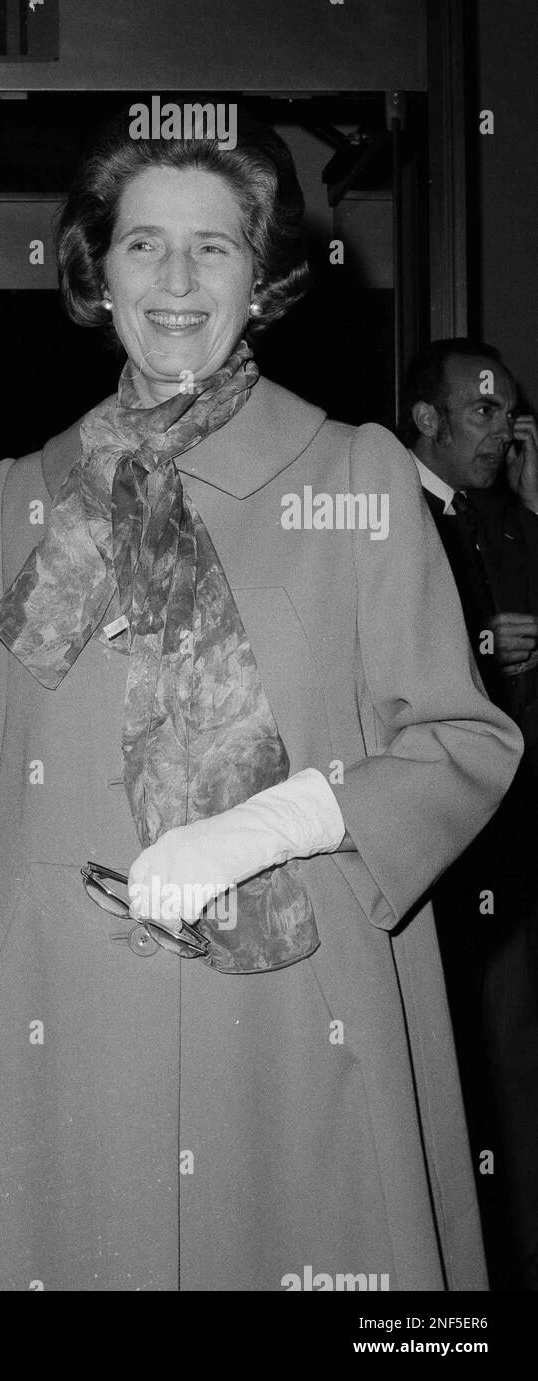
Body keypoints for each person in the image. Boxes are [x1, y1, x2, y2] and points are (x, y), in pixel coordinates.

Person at [0, 112, 521, 1290]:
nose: (178, 280)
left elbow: (464, 742)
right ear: (96, 273)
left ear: (266, 274)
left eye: (214, 247)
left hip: (297, 1011)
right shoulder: (21, 497)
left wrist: (279, 820)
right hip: (72, 1024)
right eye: (144, 245)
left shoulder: (355, 475)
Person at [405, 338, 538, 1290]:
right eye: (482, 410)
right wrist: (487, 654)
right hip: (430, 857)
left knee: (512, 1063)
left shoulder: (500, 521)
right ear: (428, 419)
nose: (499, 428)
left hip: (509, 850)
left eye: (507, 413)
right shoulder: (381, 515)